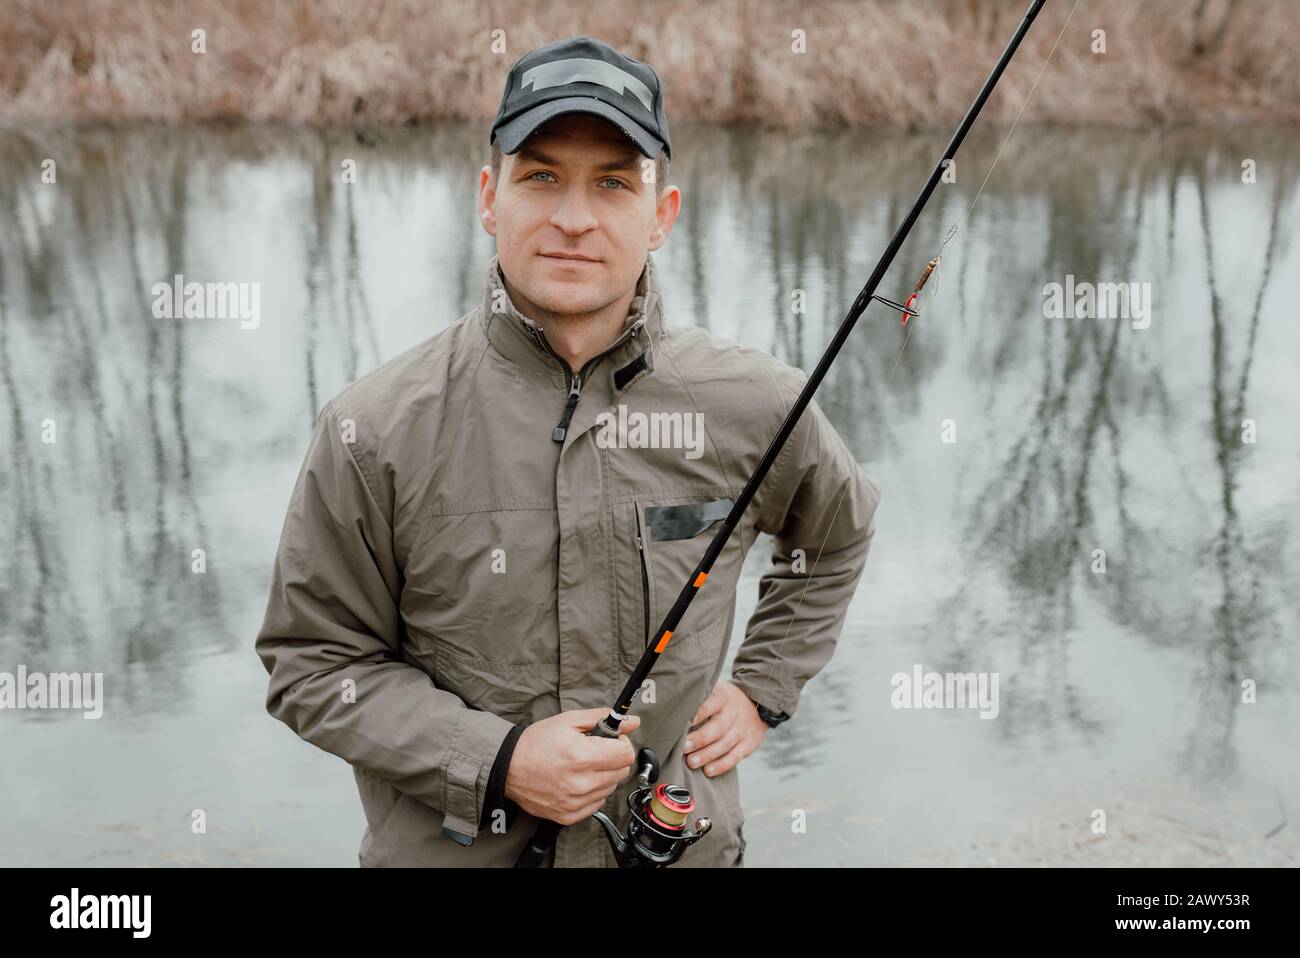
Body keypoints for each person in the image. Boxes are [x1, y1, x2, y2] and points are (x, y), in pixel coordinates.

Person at [255, 35, 882, 868]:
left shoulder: (758, 406)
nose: (574, 219)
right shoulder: (372, 429)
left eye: (614, 183)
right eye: (541, 176)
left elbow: (836, 535)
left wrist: (761, 690)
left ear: (662, 216)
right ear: (489, 197)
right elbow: (311, 665)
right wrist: (499, 761)